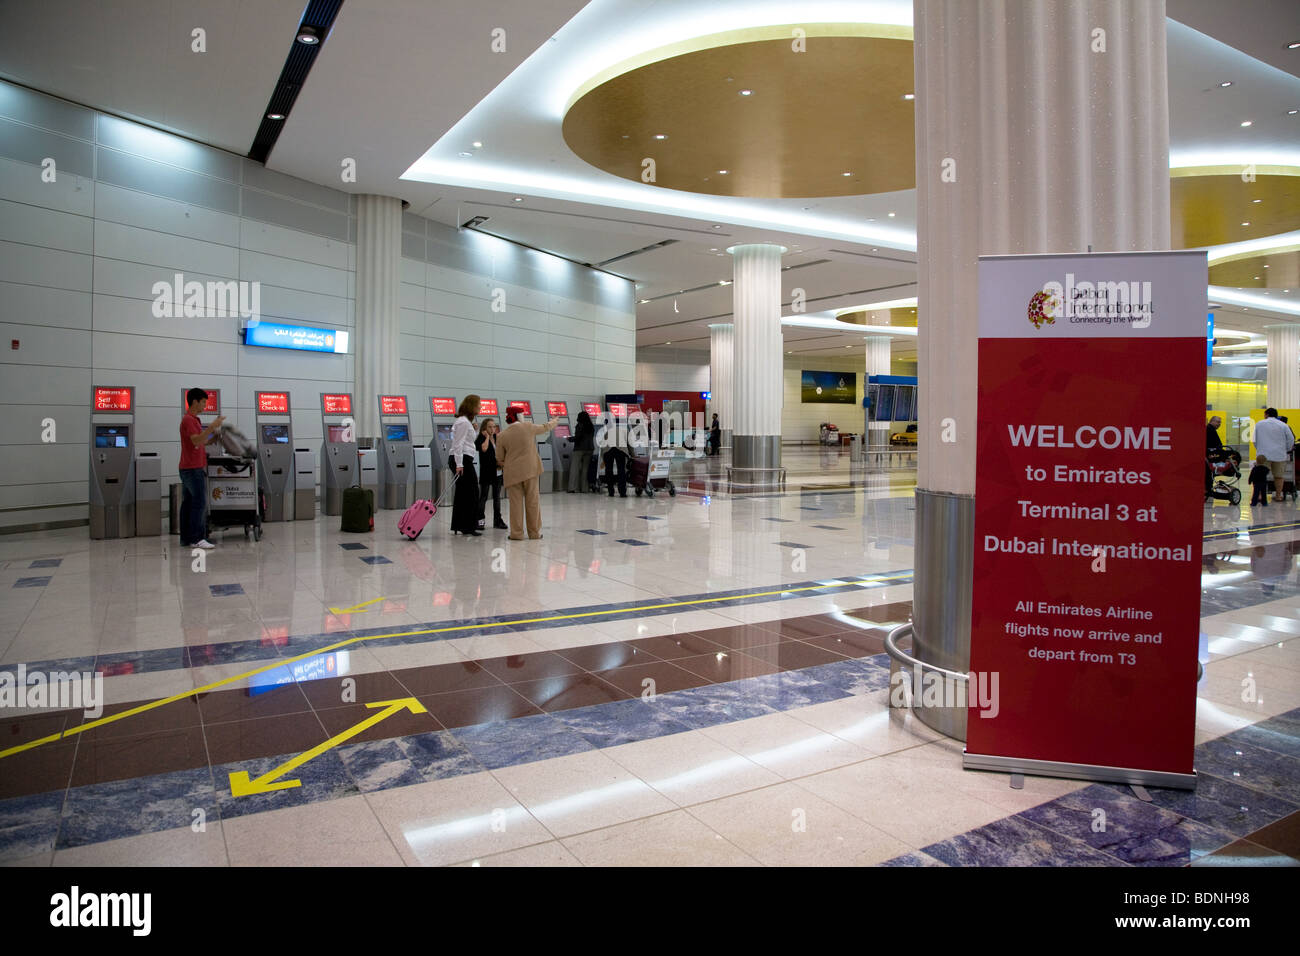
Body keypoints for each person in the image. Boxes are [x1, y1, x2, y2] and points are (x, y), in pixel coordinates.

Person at [496, 408, 557, 540]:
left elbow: (499, 457)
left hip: (512, 473)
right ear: (519, 416)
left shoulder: (502, 435)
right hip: (530, 470)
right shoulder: (528, 427)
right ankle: (534, 533)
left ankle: (516, 534)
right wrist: (554, 421)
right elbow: (545, 427)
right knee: (533, 501)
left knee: (515, 504)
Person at [179, 388, 224, 549]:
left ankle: (187, 538)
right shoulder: (189, 420)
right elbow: (196, 441)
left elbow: (201, 442)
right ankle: (197, 538)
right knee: (199, 502)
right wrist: (212, 427)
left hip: (190, 467)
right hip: (192, 468)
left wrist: (215, 436)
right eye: (203, 402)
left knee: (189, 504)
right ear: (195, 401)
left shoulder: (194, 420)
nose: (205, 405)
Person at [448, 395, 482, 536]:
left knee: (464, 492)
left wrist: (475, 430)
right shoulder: (463, 422)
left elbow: (469, 441)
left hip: (463, 459)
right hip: (461, 460)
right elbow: (458, 444)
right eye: (478, 404)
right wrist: (459, 464)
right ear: (472, 406)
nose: (480, 407)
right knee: (472, 492)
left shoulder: (465, 422)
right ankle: (468, 526)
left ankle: (461, 525)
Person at [1254, 408, 1296, 504]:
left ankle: (1260, 495)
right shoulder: (1283, 425)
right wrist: (1286, 449)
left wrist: (1259, 449)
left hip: (1263, 454)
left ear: (1266, 414)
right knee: (1279, 476)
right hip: (1279, 455)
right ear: (1276, 415)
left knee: (1261, 476)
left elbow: (1254, 439)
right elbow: (1291, 439)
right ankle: (1278, 495)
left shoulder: (1259, 424)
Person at [476, 418, 507, 530]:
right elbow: (483, 449)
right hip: (486, 472)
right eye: (490, 427)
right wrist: (487, 437)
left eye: (494, 426)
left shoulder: (497, 437)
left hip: (497, 472)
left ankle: (497, 520)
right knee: (483, 497)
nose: (492, 429)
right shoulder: (481, 438)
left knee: (497, 497)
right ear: (485, 428)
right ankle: (480, 521)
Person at [568, 410, 595, 493]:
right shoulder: (591, 426)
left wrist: (569, 439)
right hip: (589, 449)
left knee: (574, 468)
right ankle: (584, 488)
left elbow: (578, 437)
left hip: (579, 449)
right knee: (585, 469)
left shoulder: (579, 425)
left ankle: (572, 488)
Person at [1205, 415, 1224, 497]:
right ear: (1212, 421)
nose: (1219, 424)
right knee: (1208, 473)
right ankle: (1208, 490)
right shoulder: (1210, 429)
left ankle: (1208, 489)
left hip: (1210, 455)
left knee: (1209, 473)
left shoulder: (1210, 429)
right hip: (1210, 456)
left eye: (1220, 422)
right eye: (1218, 422)